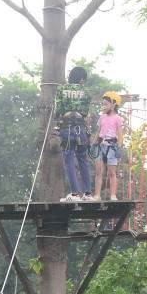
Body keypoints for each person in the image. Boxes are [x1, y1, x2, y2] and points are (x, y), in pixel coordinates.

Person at [54, 66, 93, 202]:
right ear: (82, 79)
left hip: (67, 128)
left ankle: (75, 194)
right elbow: (85, 112)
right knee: (83, 159)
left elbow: (58, 111)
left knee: (69, 159)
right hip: (81, 129)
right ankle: (88, 194)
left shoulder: (61, 89)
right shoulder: (86, 91)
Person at [93, 91, 124, 201]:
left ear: (113, 105)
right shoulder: (101, 117)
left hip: (112, 146)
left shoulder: (118, 118)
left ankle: (113, 195)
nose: (103, 106)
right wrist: (94, 142)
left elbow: (120, 134)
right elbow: (98, 131)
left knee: (112, 172)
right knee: (98, 172)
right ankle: (97, 195)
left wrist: (119, 147)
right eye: (103, 104)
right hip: (101, 145)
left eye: (106, 104)